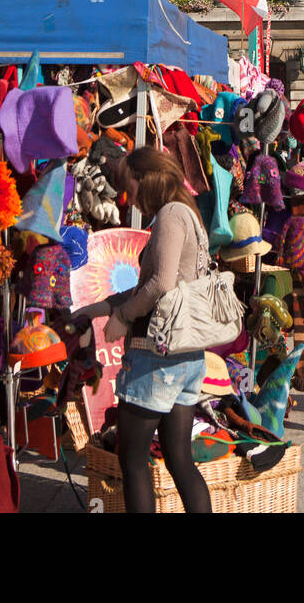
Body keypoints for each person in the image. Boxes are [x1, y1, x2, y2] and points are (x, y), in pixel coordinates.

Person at [72, 148, 213, 512]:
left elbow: (160, 284)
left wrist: (121, 319)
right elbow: (146, 285)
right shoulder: (187, 213)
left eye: (129, 185)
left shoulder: (170, 215)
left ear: (146, 178)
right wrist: (97, 309)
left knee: (132, 460)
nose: (126, 196)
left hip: (157, 358)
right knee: (180, 459)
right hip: (185, 357)